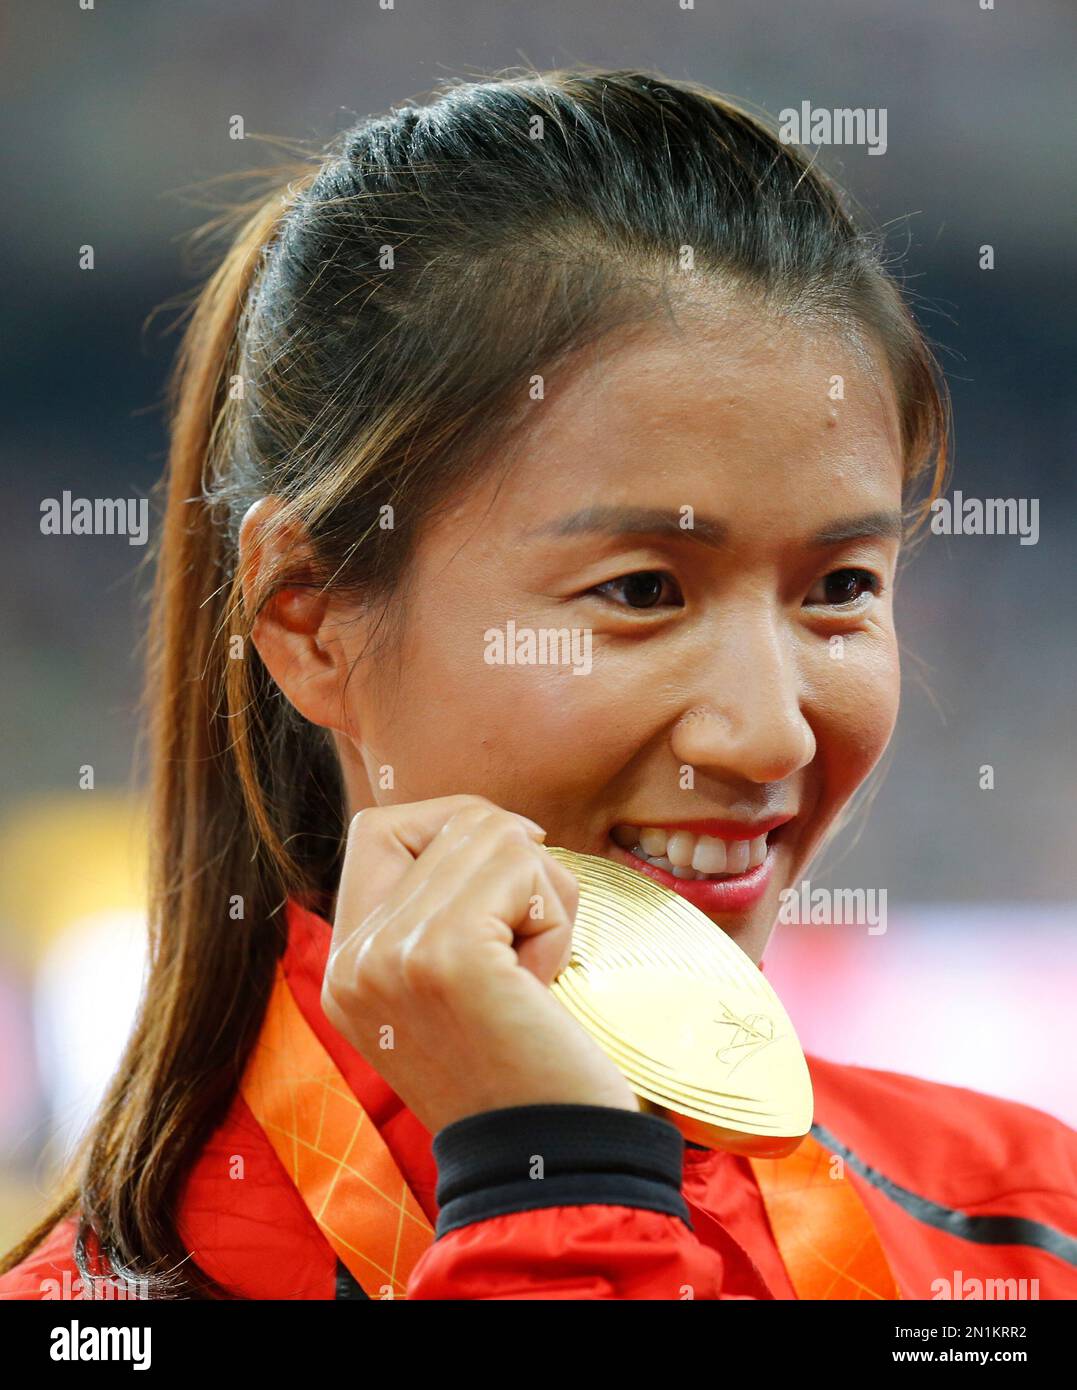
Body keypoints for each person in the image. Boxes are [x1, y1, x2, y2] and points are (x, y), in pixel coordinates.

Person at [2, 66, 1074, 1302]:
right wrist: (554, 1190)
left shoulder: (1022, 1226)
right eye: (641, 591)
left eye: (839, 587)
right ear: (309, 617)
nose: (770, 731)